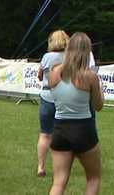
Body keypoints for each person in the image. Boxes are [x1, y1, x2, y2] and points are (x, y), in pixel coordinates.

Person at [48, 32, 103, 195]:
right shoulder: (90, 77)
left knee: (58, 182)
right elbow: (98, 106)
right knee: (93, 178)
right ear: (87, 52)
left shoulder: (54, 73)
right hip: (83, 128)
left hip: (59, 128)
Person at [35, 29, 68, 177]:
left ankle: (41, 167)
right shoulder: (69, 57)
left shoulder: (46, 57)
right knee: (63, 134)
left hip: (47, 96)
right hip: (64, 97)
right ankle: (61, 167)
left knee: (45, 134)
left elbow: (40, 76)